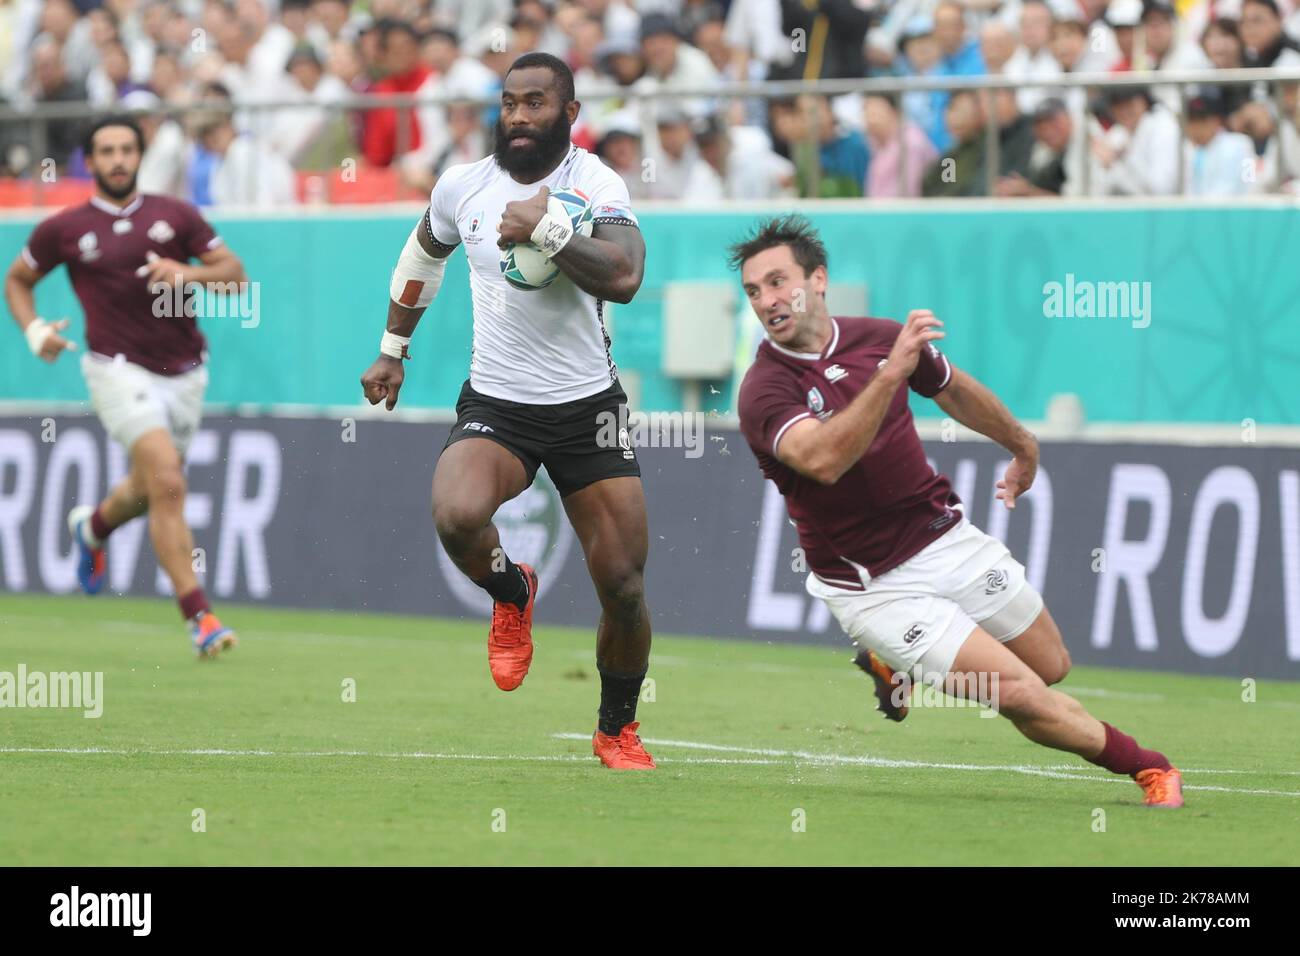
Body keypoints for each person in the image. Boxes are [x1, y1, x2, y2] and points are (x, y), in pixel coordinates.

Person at [731, 215, 1184, 809]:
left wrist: (1023, 444)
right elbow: (823, 460)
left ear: (818, 279)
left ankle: (890, 663)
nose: (767, 300)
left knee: (1050, 668)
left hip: (944, 538)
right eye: (753, 292)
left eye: (776, 281)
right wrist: (890, 373)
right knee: (1018, 693)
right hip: (875, 586)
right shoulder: (764, 389)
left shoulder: (877, 337)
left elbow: (950, 388)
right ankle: (1150, 768)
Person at [359, 53, 656, 770]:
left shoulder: (595, 183)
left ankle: (616, 729)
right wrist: (393, 348)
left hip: (590, 405)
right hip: (499, 400)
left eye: (535, 103)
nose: (519, 117)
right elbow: (423, 253)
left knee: (621, 584)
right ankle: (510, 588)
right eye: (509, 102)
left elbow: (626, 277)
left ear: (569, 114)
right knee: (456, 514)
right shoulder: (465, 185)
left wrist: (549, 231)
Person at [3, 115, 248, 658]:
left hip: (185, 372)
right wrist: (34, 328)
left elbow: (236, 275)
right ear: (88, 162)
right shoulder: (63, 229)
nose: (117, 159)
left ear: (139, 157)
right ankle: (200, 618)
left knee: (149, 489)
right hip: (113, 367)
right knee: (167, 479)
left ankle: (92, 528)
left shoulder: (175, 215)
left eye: (126, 150)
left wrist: (190, 275)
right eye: (106, 151)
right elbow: (17, 281)